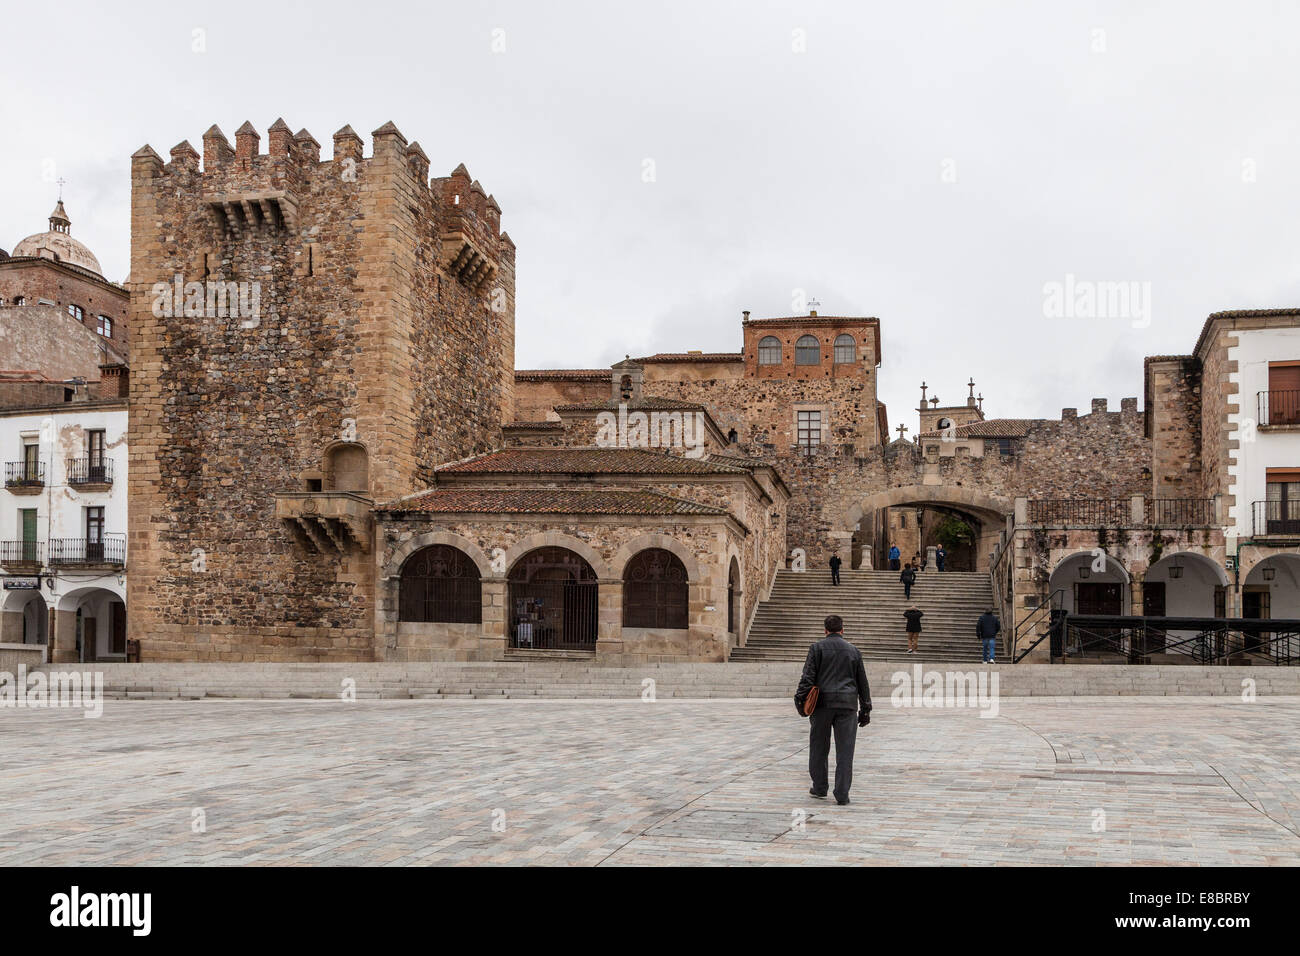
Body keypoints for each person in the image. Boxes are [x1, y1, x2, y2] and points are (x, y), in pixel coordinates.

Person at [794, 614, 872, 805]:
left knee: (819, 747)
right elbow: (863, 682)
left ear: (825, 630)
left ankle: (820, 787)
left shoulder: (817, 648)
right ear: (842, 630)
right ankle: (842, 793)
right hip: (847, 705)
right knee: (846, 750)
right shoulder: (854, 651)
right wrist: (866, 708)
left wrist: (800, 700)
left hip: (822, 704)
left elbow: (808, 677)